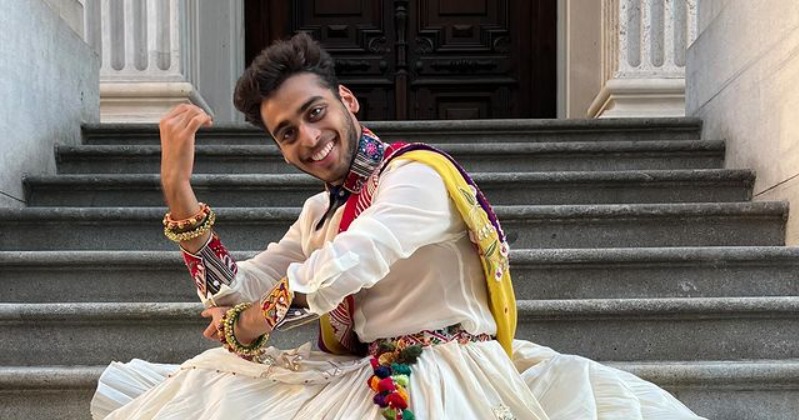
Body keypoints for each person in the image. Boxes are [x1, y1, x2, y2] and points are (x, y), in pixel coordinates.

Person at [91, 33, 705, 420]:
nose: (309, 138)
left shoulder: (416, 176)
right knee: (197, 391)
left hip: (447, 373)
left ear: (347, 101)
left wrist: (256, 322)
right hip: (365, 373)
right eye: (287, 133)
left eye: (315, 112)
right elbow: (235, 291)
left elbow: (355, 259)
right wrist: (178, 192)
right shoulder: (321, 212)